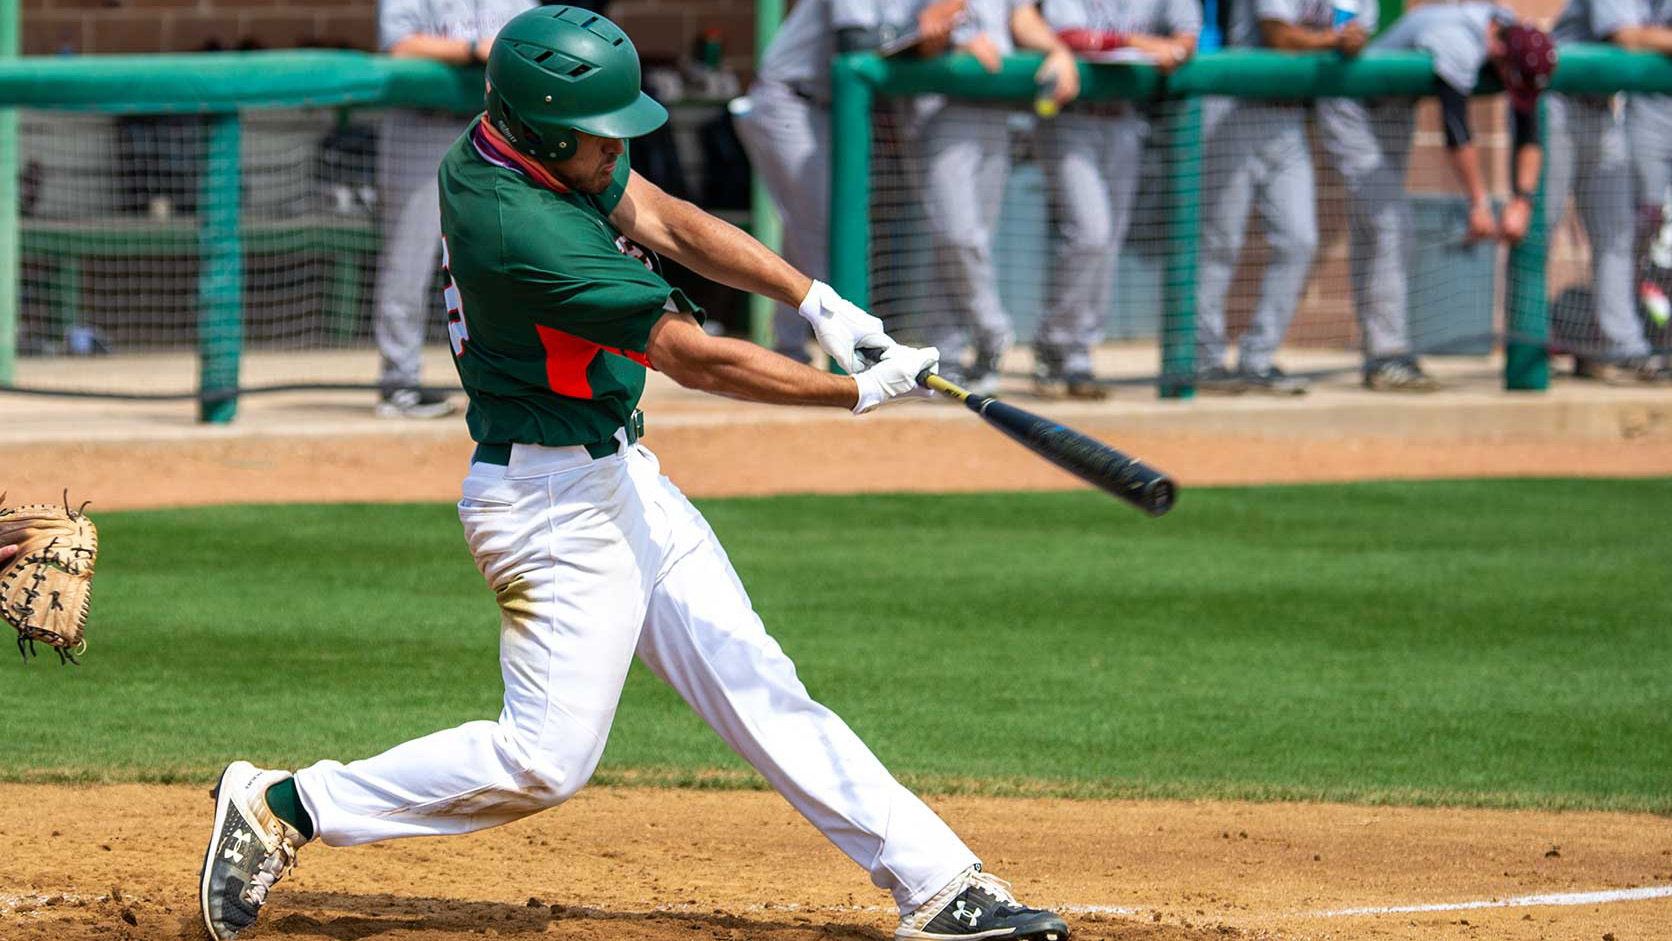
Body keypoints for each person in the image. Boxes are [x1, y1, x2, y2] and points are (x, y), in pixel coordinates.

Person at [197, 10, 1073, 941]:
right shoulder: (520, 228)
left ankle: (939, 884)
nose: (617, 146)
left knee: (758, 680)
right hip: (549, 507)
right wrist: (854, 391)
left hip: (620, 477)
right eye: (601, 132)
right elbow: (696, 359)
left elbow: (664, 216)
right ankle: (285, 803)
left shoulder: (519, 140)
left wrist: (817, 300)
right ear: (545, 129)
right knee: (543, 762)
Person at [1316, 3, 1553, 391]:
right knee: (1393, 224)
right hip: (1353, 106)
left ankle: (1381, 353)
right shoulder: (1459, 38)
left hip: (1394, 109)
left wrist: (1523, 200)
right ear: (1497, 52)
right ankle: (1387, 355)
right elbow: (1456, 128)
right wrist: (1479, 202)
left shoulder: (1514, 35)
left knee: (1378, 228)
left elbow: (1528, 132)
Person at [734, 0, 965, 363]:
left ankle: (787, 347)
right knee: (824, 233)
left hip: (831, 108)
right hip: (790, 99)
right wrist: (923, 33)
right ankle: (859, 352)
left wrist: (936, 35)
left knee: (808, 232)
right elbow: (855, 43)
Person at [372, 0, 537, 418]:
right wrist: (471, 49)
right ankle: (399, 382)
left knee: (516, 251)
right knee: (407, 259)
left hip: (497, 129)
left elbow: (535, 45)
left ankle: (521, 378)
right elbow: (399, 46)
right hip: (420, 126)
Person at [1194, 0, 1362, 396]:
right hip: (1234, 106)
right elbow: (1278, 35)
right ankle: (1202, 359)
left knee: (1299, 239)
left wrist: (1348, 39)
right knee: (1219, 242)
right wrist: (1335, 40)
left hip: (1288, 117)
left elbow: (1356, 32)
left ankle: (1259, 357)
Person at [1034, 0, 1199, 399]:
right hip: (1070, 116)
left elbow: (1186, 39)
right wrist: (1142, 43)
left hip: (1124, 119)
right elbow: (1070, 36)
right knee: (1091, 233)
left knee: (1107, 242)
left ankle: (1077, 355)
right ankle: (1056, 342)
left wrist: (1172, 49)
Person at [919, 0, 1079, 395]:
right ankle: (992, 331)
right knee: (957, 235)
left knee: (973, 240)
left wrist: (1057, 49)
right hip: (941, 106)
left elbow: (1020, 17)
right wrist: (954, 43)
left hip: (994, 108)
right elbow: (917, 28)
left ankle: (952, 359)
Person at [1552, 0, 1672, 383]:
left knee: (1618, 233)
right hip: (1553, 101)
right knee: (1542, 228)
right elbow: (1626, 37)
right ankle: (1529, 345)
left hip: (1601, 109)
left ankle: (1623, 348)